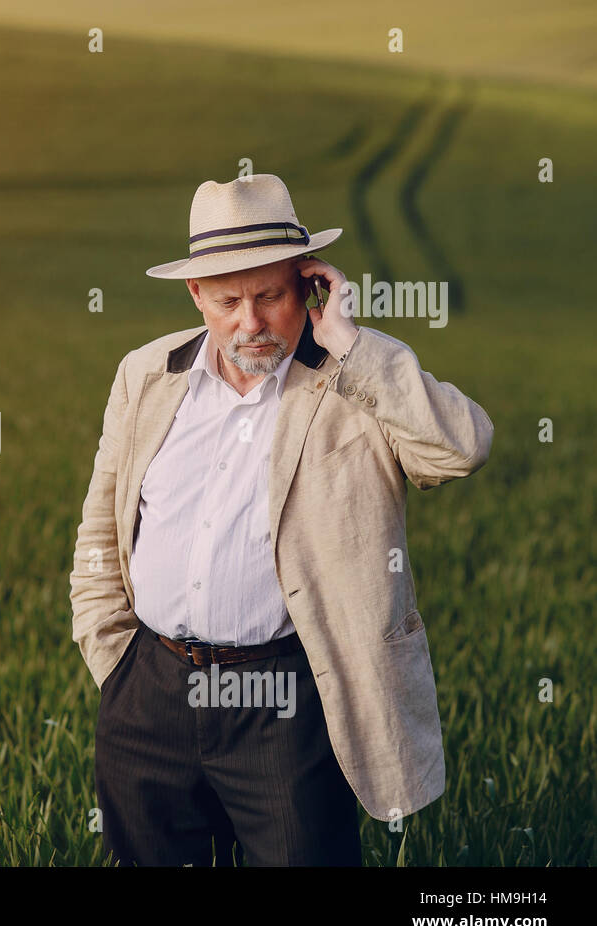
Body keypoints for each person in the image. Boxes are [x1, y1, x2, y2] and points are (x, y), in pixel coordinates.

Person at [70, 173, 494, 866]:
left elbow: (462, 448)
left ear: (309, 285)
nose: (251, 322)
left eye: (270, 295)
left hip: (286, 700)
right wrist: (113, 659)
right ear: (195, 294)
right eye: (229, 300)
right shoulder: (146, 375)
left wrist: (352, 346)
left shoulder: (350, 381)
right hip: (148, 693)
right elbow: (100, 526)